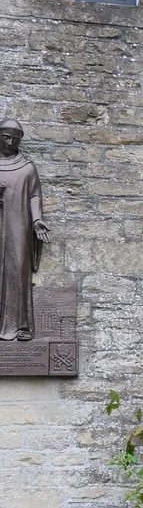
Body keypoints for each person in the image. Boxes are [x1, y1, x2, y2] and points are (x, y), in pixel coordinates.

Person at [0, 118, 49, 341]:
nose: (10, 142)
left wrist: (37, 220)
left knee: (18, 270)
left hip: (17, 225)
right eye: (6, 137)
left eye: (16, 139)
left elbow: (34, 194)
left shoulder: (27, 168)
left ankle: (21, 326)